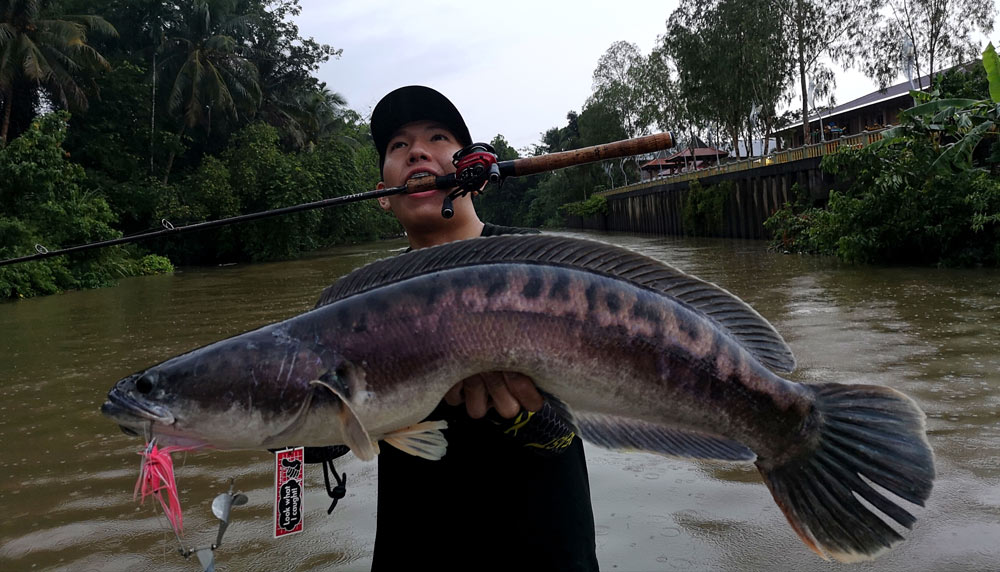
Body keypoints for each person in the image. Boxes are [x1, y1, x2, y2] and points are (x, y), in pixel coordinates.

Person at [360, 85, 598, 571]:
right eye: (397, 146)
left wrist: (527, 417)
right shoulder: (360, 302)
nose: (417, 151)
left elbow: (579, 425)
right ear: (383, 195)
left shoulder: (544, 268)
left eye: (438, 137)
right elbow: (305, 430)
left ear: (473, 168)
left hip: (546, 551)